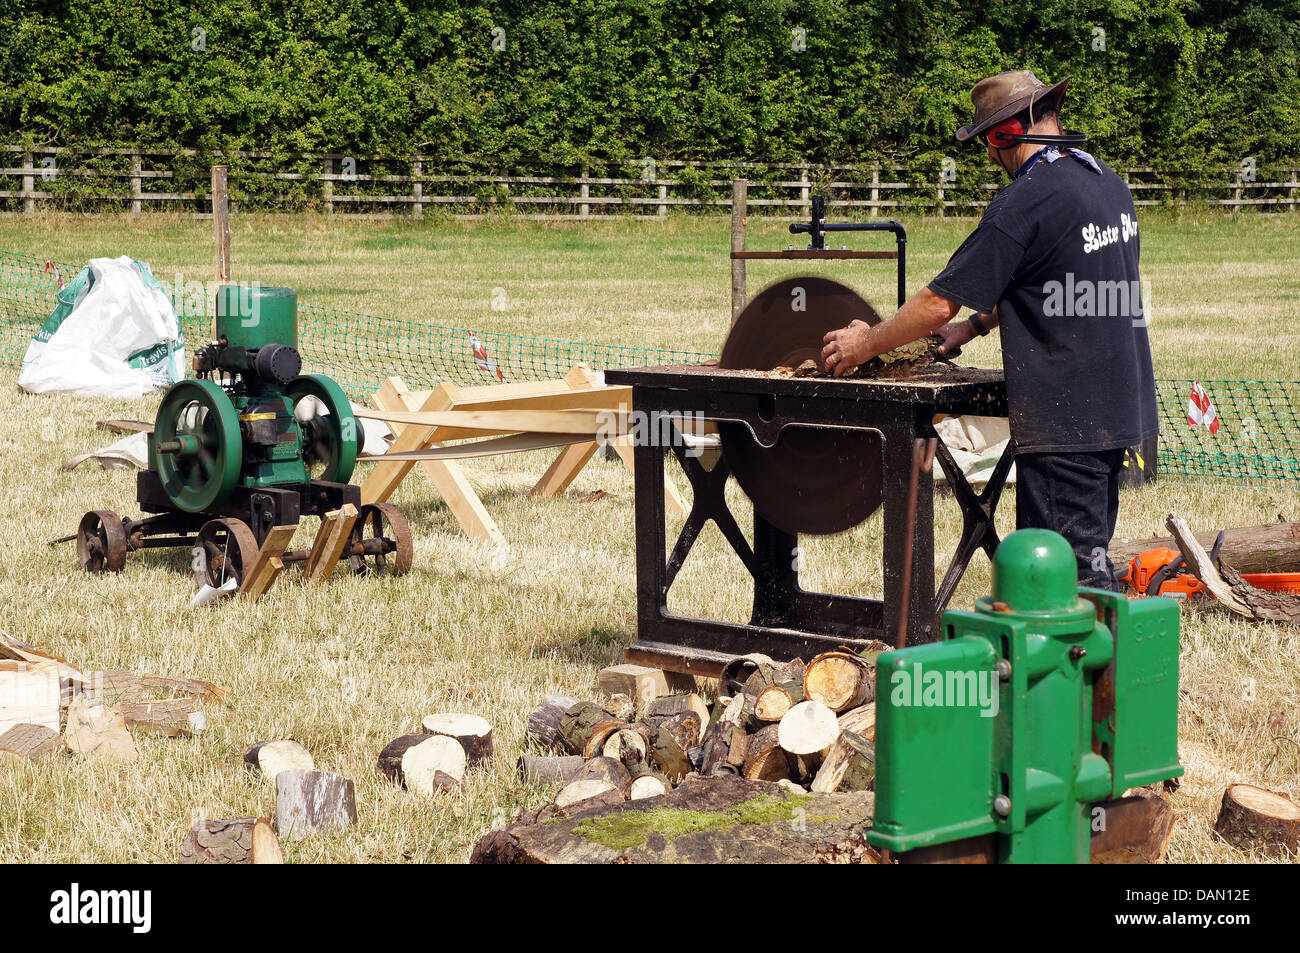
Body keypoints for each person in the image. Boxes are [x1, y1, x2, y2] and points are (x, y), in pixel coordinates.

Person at [820, 70, 1158, 590]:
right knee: (1083, 563)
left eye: (988, 144)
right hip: (1118, 407)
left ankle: (1100, 669)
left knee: (1063, 586)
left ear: (1004, 135)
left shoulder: (1027, 198)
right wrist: (975, 326)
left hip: (1067, 420)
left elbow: (935, 303)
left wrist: (865, 343)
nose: (989, 157)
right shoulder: (1105, 183)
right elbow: (1054, 277)